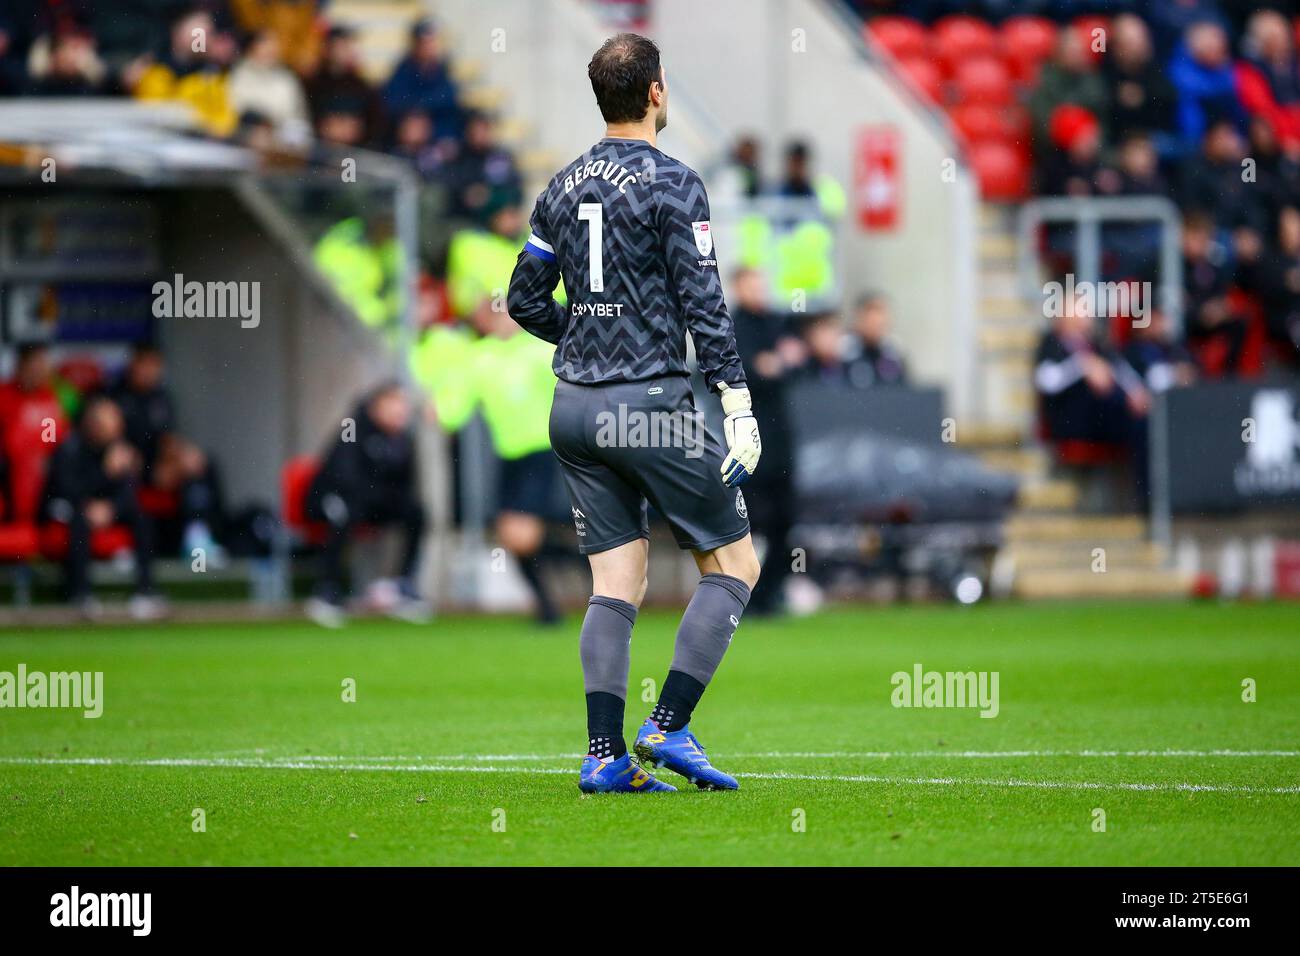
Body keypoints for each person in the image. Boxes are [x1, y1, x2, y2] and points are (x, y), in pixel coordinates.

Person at [507, 33, 761, 794]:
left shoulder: (558, 185)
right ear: (656, 92)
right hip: (647, 403)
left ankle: (603, 755)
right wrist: (737, 401)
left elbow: (523, 299)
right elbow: (705, 304)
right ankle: (670, 725)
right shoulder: (675, 183)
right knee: (736, 560)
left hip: (574, 411)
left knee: (616, 582)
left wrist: (582, 336)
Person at [304, 382, 428, 627]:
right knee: (344, 513)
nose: (400, 411)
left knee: (417, 513)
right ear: (377, 406)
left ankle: (404, 585)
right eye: (393, 404)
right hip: (332, 499)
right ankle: (327, 591)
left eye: (402, 405)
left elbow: (405, 484)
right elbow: (344, 477)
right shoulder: (352, 428)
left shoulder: (403, 439)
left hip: (373, 504)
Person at [41, 396, 163, 620]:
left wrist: (111, 509)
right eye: (108, 424)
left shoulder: (117, 451)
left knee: (142, 518)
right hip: (68, 507)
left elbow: (127, 494)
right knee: (79, 520)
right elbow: (67, 489)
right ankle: (81, 594)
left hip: (106, 510)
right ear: (92, 424)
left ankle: (146, 592)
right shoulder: (69, 447)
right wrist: (104, 475)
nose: (115, 430)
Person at [107, 345, 227, 562]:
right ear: (134, 364)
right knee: (123, 468)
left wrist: (180, 456)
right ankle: (125, 545)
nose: (152, 372)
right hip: (127, 467)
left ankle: (199, 534)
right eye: (147, 365)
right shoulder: (114, 394)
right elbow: (106, 438)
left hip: (155, 466)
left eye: (156, 366)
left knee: (201, 463)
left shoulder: (161, 398)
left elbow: (167, 438)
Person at [730, 268, 797, 616]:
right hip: (746, 440)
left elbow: (791, 361)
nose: (759, 291)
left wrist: (777, 363)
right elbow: (752, 369)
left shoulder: (778, 322)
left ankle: (771, 592)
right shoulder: (733, 326)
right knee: (751, 519)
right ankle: (746, 593)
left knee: (784, 520)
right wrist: (769, 365)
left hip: (779, 441)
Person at [845, 292, 908, 387]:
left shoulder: (894, 356)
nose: (876, 321)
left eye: (881, 314)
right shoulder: (844, 355)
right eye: (870, 316)